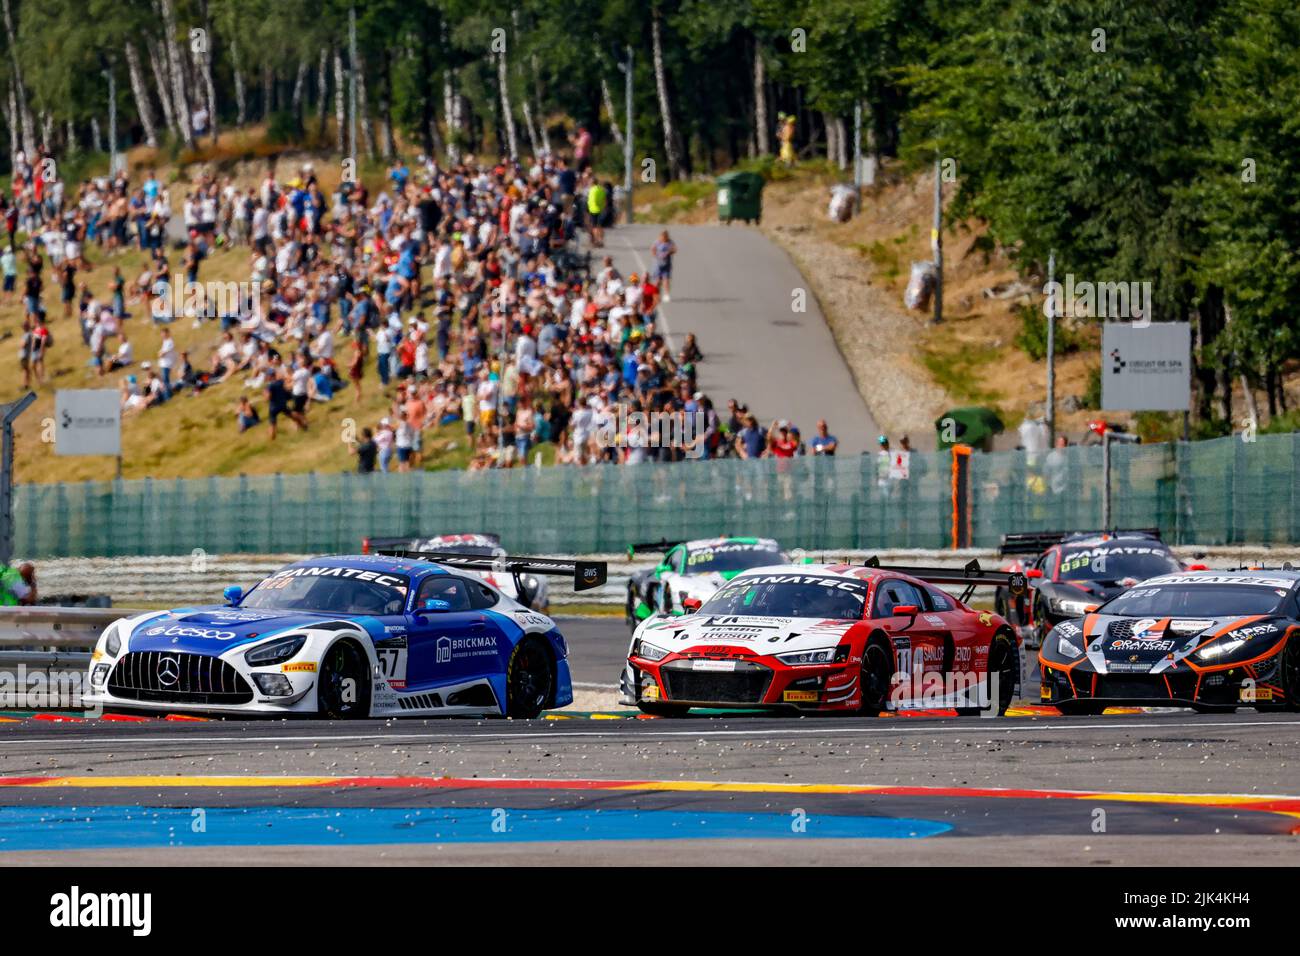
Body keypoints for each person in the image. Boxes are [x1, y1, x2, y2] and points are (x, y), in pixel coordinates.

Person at [652, 231, 677, 302]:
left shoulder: (670, 242)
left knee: (666, 280)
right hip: (658, 265)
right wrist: (657, 256)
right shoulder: (657, 242)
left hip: (667, 264)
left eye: (665, 236)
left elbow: (675, 249)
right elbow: (653, 249)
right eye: (662, 236)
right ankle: (656, 295)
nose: (664, 238)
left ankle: (666, 294)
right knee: (657, 281)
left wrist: (669, 252)